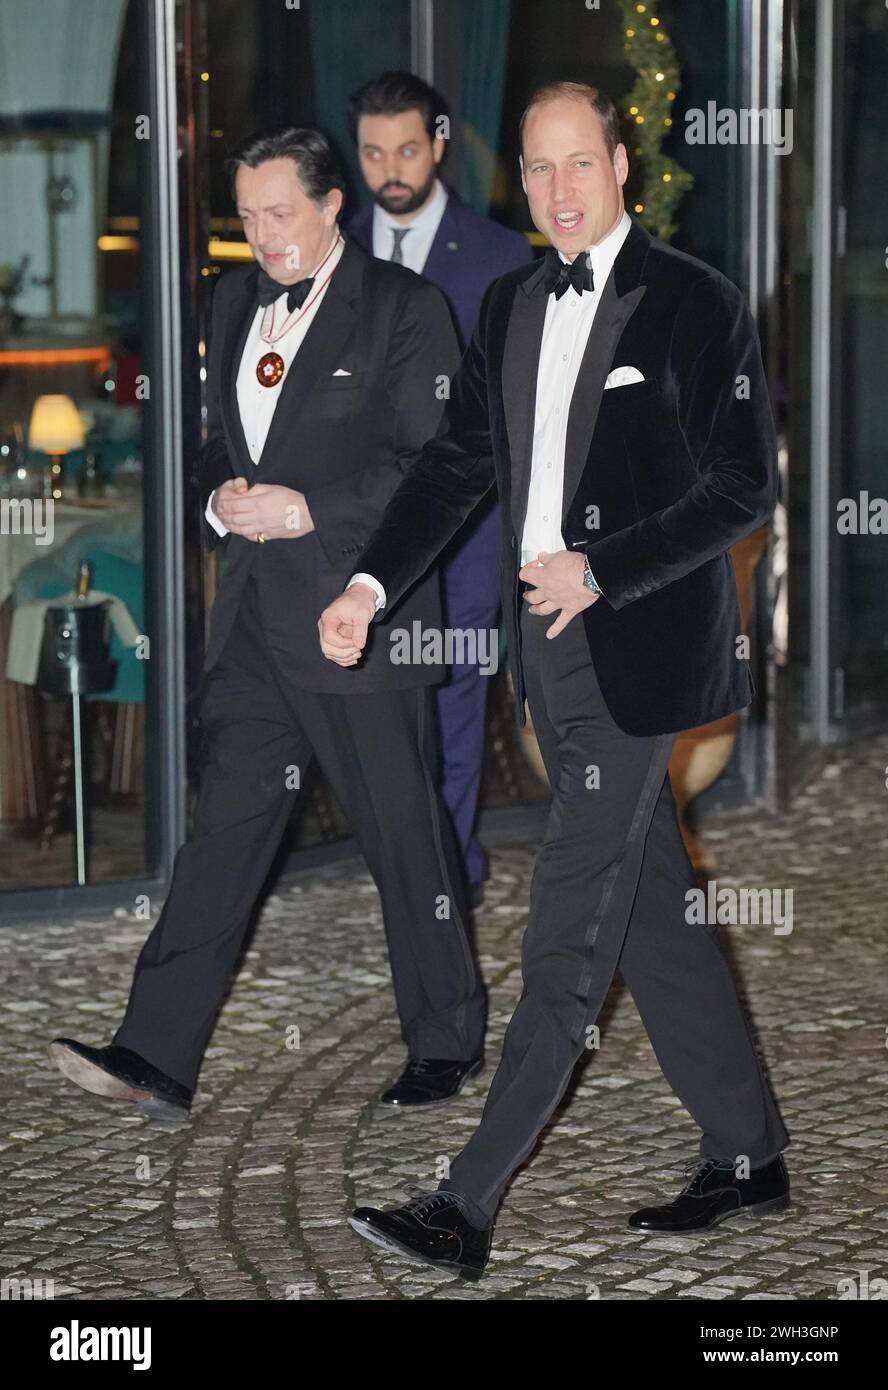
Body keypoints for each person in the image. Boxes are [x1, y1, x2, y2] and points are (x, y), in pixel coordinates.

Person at [319, 83, 790, 1280]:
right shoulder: (513, 302)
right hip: (547, 656)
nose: (561, 190)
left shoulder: (695, 303)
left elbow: (743, 487)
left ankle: (466, 1204)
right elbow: (455, 465)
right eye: (538, 170)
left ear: (621, 166)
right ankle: (749, 1153)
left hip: (634, 652)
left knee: (569, 929)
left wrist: (601, 567)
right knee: (657, 917)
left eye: (581, 164)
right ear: (520, 182)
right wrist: (371, 588)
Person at [48, 126, 486, 1120]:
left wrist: (311, 514)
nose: (264, 237)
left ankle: (448, 1036)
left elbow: (437, 467)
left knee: (403, 840)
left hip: (355, 616)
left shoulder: (405, 309)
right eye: (246, 218)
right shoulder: (232, 299)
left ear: (336, 205)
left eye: (281, 213)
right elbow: (213, 439)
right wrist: (221, 501)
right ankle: (155, 1048)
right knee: (225, 834)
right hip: (253, 619)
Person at [346, 71, 533, 904]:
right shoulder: (335, 241)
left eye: (407, 149)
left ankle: (445, 885)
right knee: (384, 721)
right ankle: (408, 873)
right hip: (356, 533)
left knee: (457, 715)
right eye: (374, 151)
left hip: (463, 530)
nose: (390, 168)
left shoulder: (499, 255)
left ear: (440, 145)